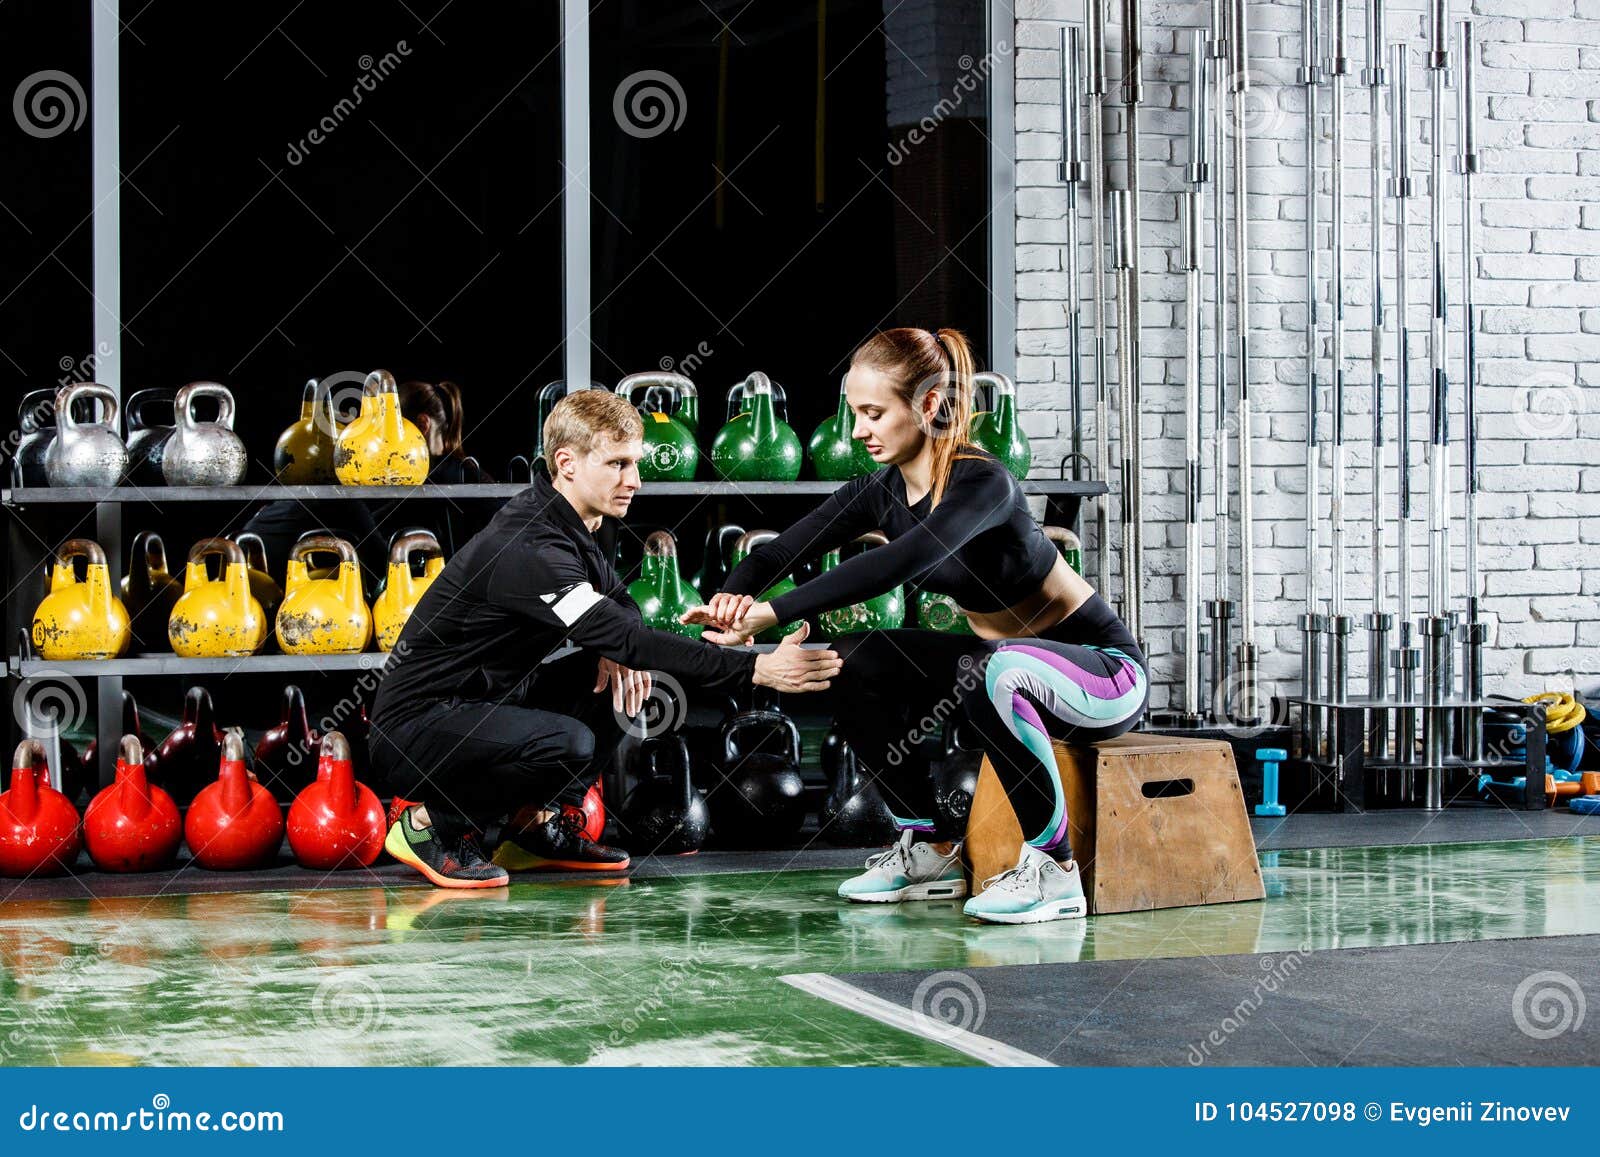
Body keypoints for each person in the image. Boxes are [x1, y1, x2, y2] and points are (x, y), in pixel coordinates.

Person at [684, 327, 1148, 925]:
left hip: (1101, 674)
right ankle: (927, 844)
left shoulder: (983, 482)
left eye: (873, 413)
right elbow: (778, 552)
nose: (857, 431)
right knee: (847, 661)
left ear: (927, 404)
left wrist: (772, 613)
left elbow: (898, 562)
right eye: (855, 413)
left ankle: (1055, 873)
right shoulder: (879, 492)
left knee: (997, 667)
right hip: (998, 673)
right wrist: (728, 602)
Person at [369, 390, 842, 889]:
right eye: (617, 464)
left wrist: (611, 649)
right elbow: (626, 632)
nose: (634, 481)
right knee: (570, 740)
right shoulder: (530, 546)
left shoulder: (575, 526)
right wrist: (754, 668)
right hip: (418, 726)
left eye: (634, 464)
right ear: (566, 463)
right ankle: (429, 827)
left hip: (483, 702)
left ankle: (537, 829)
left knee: (631, 678)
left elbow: (624, 607)